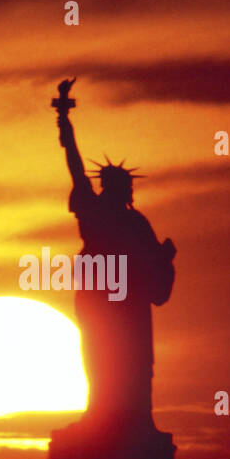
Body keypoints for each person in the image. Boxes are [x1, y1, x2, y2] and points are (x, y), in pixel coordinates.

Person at [54, 78, 176, 425]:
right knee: (98, 355)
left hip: (127, 300)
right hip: (99, 294)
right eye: (114, 185)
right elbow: (74, 163)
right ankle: (101, 417)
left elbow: (154, 267)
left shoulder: (136, 223)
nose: (118, 190)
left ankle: (131, 420)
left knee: (133, 360)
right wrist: (63, 117)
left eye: (121, 186)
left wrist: (164, 258)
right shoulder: (96, 211)